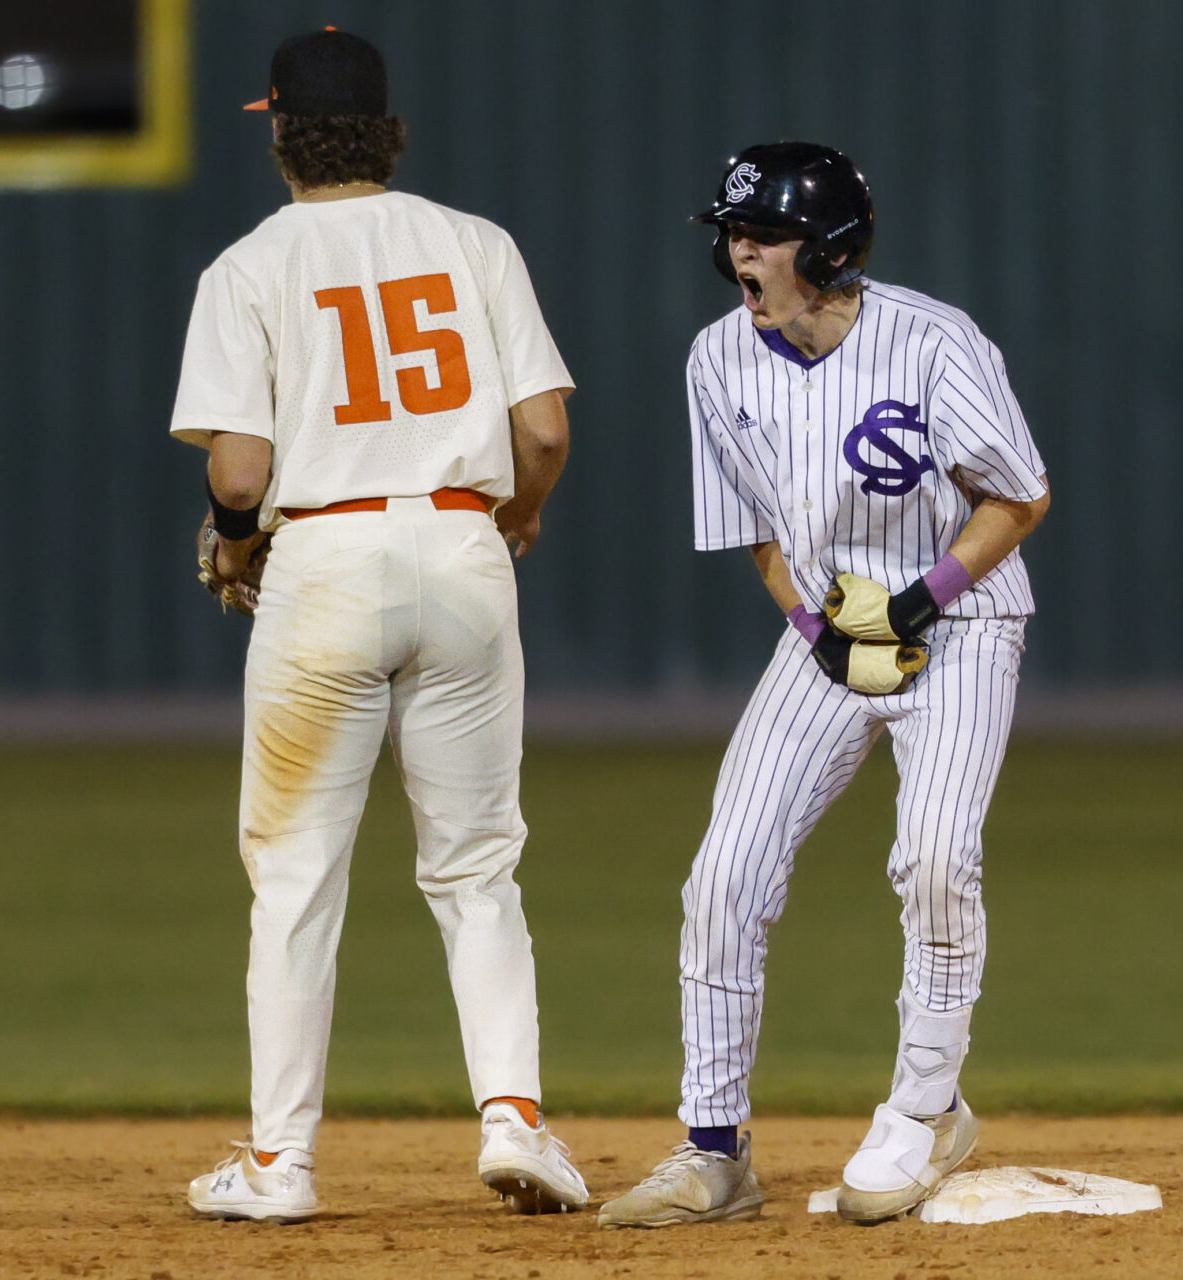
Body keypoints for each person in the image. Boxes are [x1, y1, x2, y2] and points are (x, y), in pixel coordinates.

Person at [170, 27, 586, 1222]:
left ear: (283, 136)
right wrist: (521, 511)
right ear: (386, 132)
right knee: (477, 865)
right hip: (462, 548)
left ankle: (280, 1163)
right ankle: (515, 1120)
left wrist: (232, 542)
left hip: (326, 562)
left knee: (297, 876)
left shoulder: (248, 266)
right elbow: (544, 431)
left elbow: (240, 474)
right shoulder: (474, 242)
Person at [597, 142, 1051, 1228]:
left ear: (832, 250)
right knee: (724, 876)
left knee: (935, 858)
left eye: (764, 236)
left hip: (962, 620)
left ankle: (926, 1111)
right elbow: (759, 530)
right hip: (831, 635)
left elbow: (1018, 495)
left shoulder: (931, 340)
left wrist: (917, 604)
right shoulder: (717, 358)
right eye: (733, 234)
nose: (740, 254)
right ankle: (714, 1152)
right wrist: (819, 627)